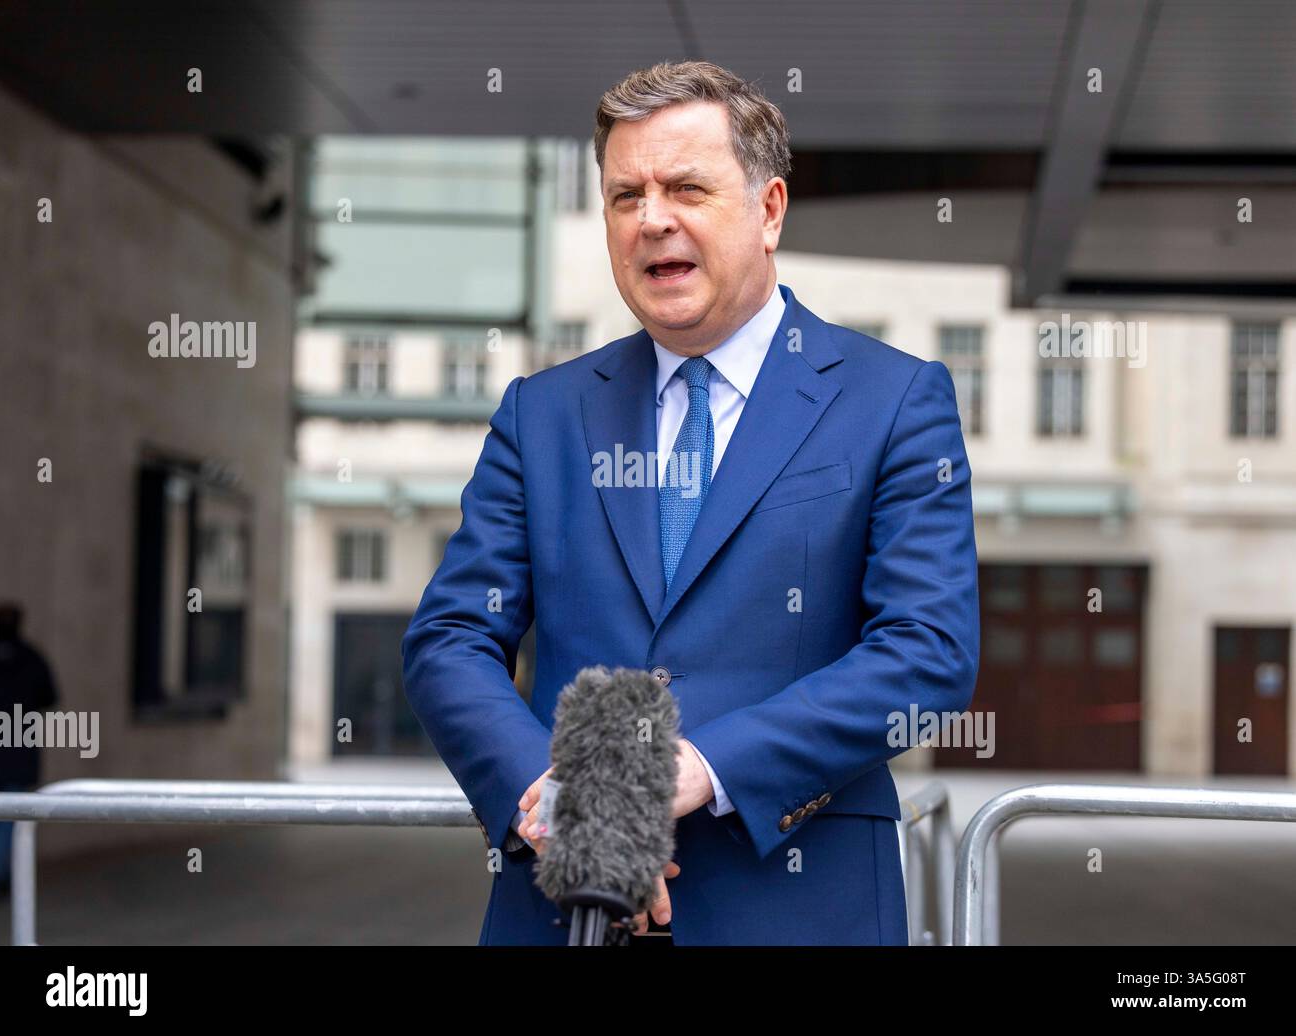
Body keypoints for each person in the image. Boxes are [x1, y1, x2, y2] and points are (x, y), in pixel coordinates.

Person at [402, 60, 979, 945]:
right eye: (625, 195)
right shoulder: (542, 413)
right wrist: (564, 808)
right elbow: (450, 637)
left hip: (798, 902)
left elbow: (928, 650)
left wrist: (709, 766)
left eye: (685, 188)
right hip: (563, 910)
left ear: (770, 209)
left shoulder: (894, 400)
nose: (652, 218)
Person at [0, 602, 59, 894]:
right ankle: (0, 876)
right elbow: (49, 696)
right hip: (17, 751)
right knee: (10, 821)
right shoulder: (33, 659)